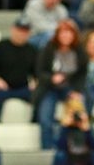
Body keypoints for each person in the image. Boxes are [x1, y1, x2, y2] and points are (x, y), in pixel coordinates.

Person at [35, 20, 88, 150]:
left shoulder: (79, 51)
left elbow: (82, 74)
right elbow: (39, 71)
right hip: (50, 88)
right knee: (46, 120)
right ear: (58, 35)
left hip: (69, 87)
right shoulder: (49, 49)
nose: (66, 36)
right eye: (63, 33)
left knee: (79, 114)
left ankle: (76, 148)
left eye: (69, 33)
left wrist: (77, 90)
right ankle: (47, 150)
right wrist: (52, 78)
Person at [0, 18, 38, 123]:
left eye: (25, 31)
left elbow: (36, 71)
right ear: (13, 30)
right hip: (3, 87)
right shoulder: (1, 46)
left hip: (23, 87)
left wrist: (36, 82)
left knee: (39, 94)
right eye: (20, 30)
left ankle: (35, 123)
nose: (22, 34)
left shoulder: (32, 50)